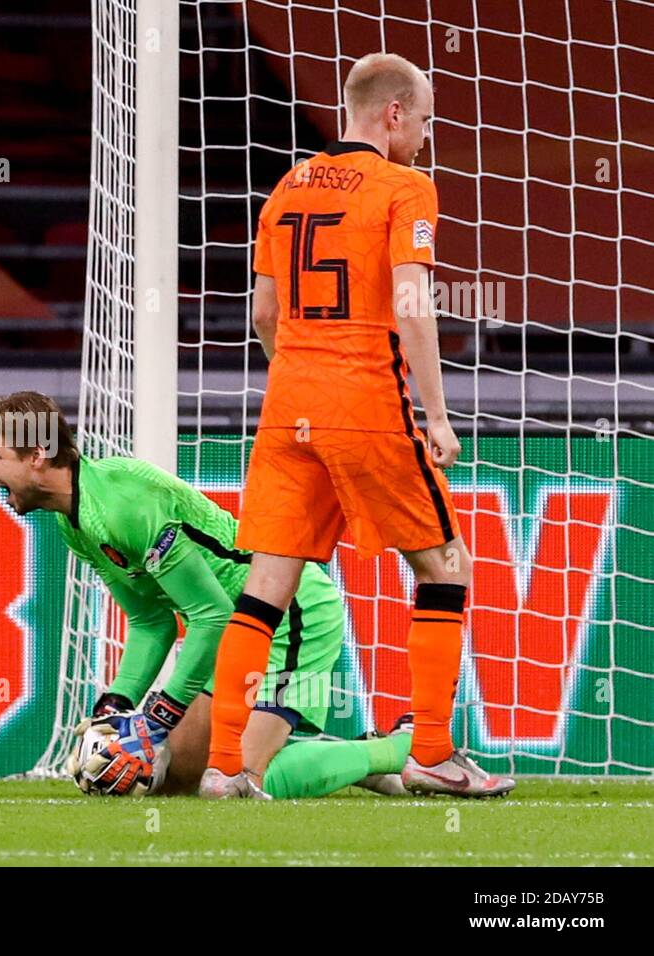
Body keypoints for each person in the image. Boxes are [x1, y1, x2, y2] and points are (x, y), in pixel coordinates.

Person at [204, 53, 513, 799]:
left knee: (264, 591)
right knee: (444, 565)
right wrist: (436, 415)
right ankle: (431, 753)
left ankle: (223, 768)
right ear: (394, 113)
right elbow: (410, 304)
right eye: (428, 122)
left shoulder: (287, 187)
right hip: (365, 401)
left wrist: (301, 377)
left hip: (287, 407)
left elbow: (263, 316)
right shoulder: (404, 188)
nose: (428, 139)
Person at [0, 390, 411, 799]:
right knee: (180, 780)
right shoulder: (74, 524)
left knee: (239, 783)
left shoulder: (122, 506)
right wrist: (116, 705)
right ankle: (351, 757)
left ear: (37, 455)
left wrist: (156, 718)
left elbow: (213, 616)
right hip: (234, 633)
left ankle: (403, 751)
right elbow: (152, 622)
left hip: (289, 615)